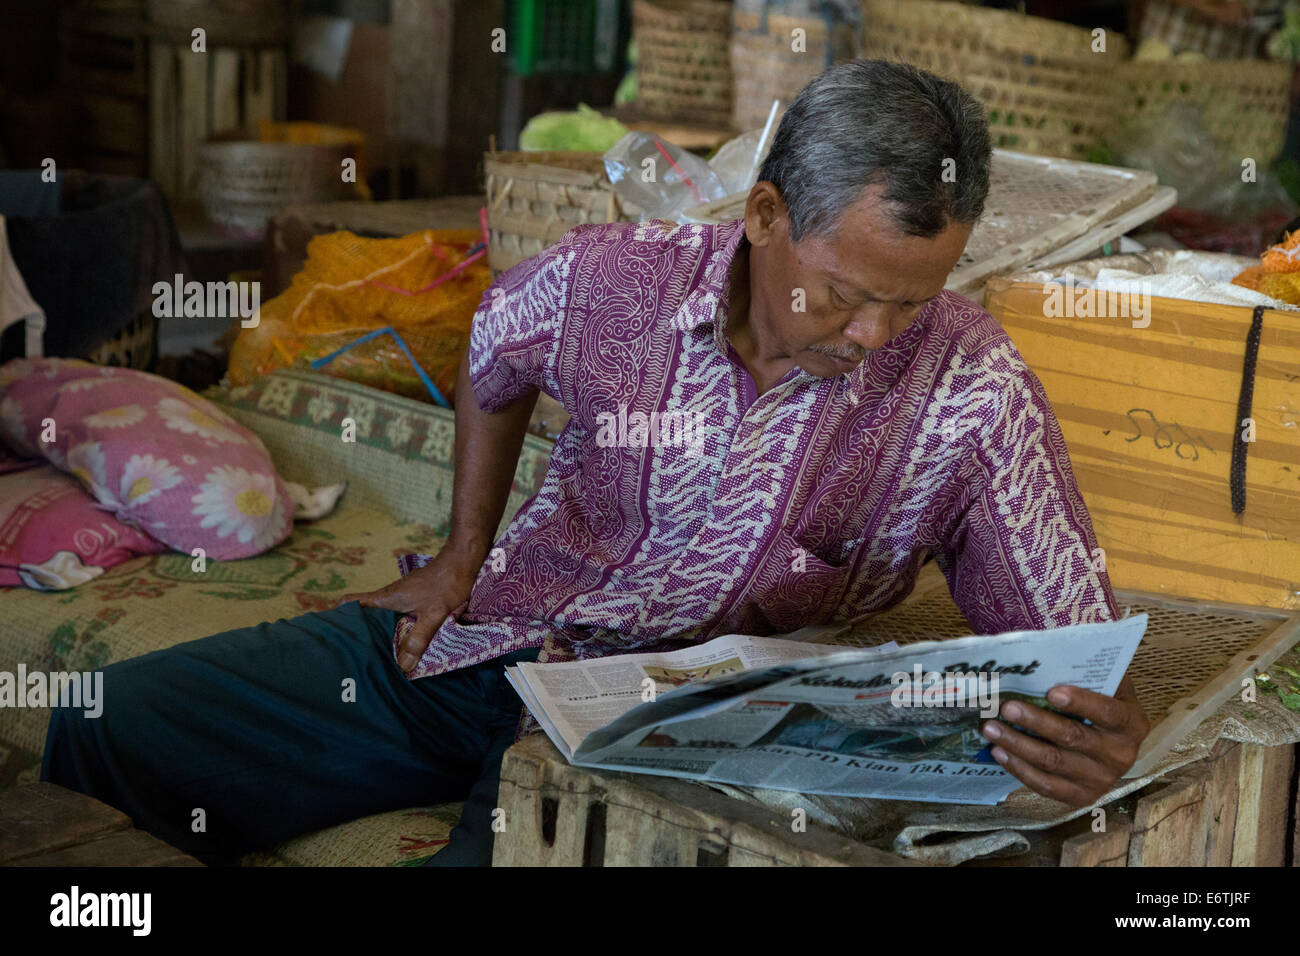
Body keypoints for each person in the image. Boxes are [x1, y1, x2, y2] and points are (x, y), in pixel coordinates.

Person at [43, 59, 1150, 866]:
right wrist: (461, 553)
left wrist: (1093, 729)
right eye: (847, 293)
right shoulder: (614, 278)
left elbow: (1069, 642)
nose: (872, 333)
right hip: (495, 639)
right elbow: (494, 341)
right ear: (764, 214)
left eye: (910, 300)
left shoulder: (971, 382)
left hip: (678, 731)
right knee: (108, 723)